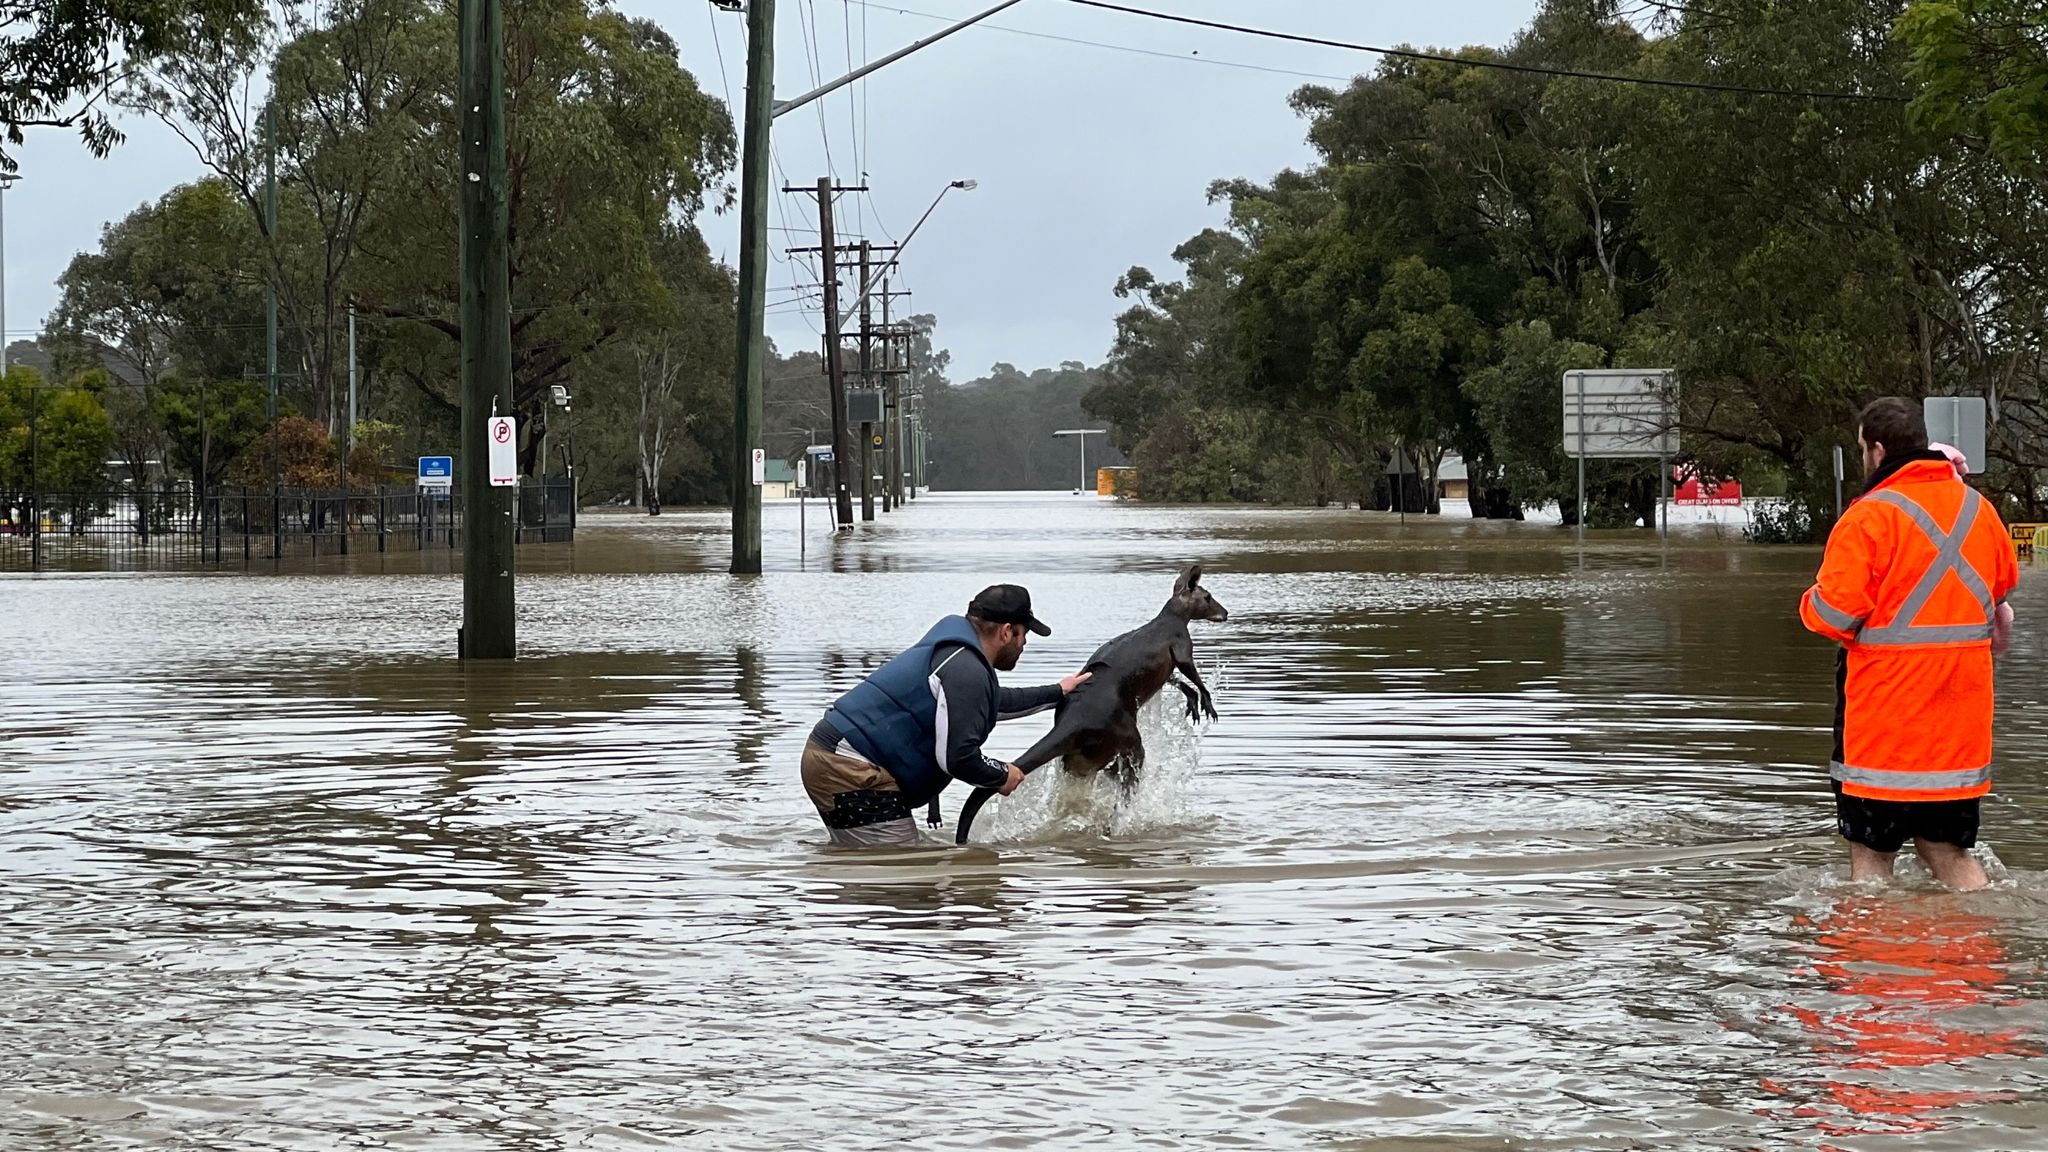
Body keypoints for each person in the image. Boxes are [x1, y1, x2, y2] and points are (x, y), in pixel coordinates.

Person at [1800, 398, 2020, 890]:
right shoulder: (1980, 510)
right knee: (1949, 853)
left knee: (1872, 859)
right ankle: (1973, 952)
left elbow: (1834, 615)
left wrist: (1808, 601)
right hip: (1959, 723)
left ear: (1877, 451)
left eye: (1861, 449)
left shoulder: (1867, 518)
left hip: (1885, 724)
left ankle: (1870, 958)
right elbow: (2002, 587)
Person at [801, 585, 1091, 846]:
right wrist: (1002, 774)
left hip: (834, 756)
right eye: (1023, 634)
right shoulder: (966, 670)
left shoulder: (958, 657)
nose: (1024, 644)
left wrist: (1057, 692)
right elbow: (958, 758)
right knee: (907, 878)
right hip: (850, 767)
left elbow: (989, 702)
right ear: (1006, 632)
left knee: (875, 869)